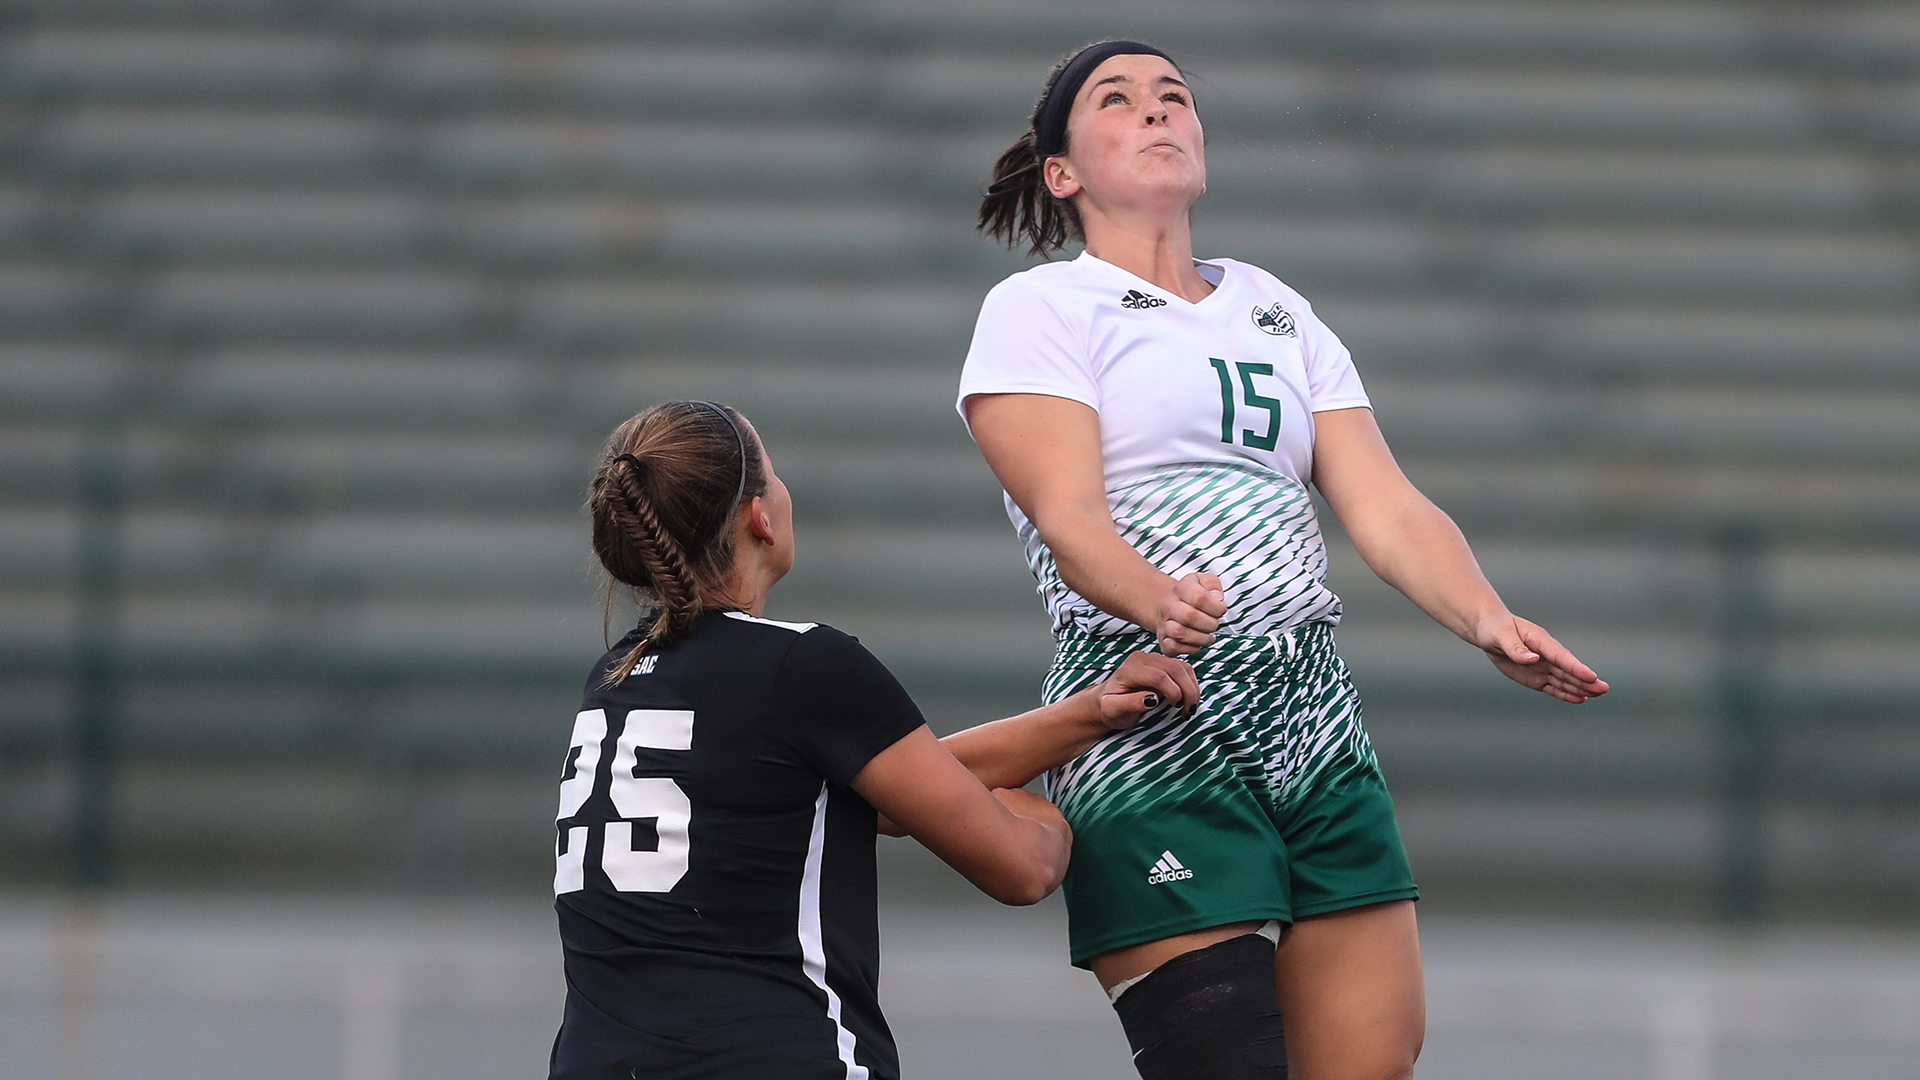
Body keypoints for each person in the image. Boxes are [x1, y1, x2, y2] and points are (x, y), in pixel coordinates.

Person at [958, 40, 1611, 1080]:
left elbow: (1387, 506)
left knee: (1370, 1066)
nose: (1159, 112)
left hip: (1311, 720)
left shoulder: (1274, 305)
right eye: (1119, 102)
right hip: (1156, 715)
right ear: (1063, 172)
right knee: (1224, 1062)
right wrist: (1157, 599)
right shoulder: (1041, 308)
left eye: (1175, 97)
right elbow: (1068, 517)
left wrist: (1486, 617)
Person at [547, 399, 1200, 1080]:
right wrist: (1051, 814)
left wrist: (1089, 715)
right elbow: (1023, 867)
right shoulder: (802, 665)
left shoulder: (616, 677)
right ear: (759, 516)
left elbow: (874, 794)